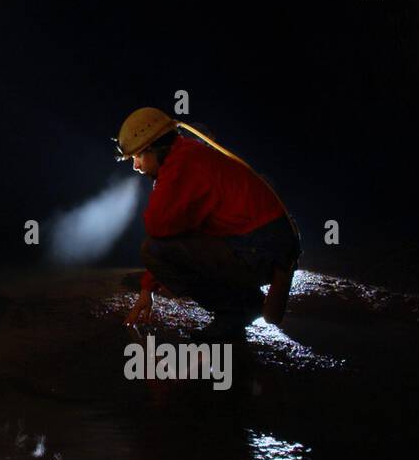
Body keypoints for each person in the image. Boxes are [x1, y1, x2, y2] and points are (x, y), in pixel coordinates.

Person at [113, 108, 300, 337]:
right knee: (164, 246)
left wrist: (161, 186)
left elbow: (157, 227)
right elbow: (176, 234)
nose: (136, 166)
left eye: (138, 156)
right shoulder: (187, 154)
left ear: (156, 148)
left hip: (260, 246)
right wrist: (147, 289)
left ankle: (238, 309)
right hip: (265, 243)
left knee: (152, 250)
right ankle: (245, 302)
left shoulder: (182, 165)